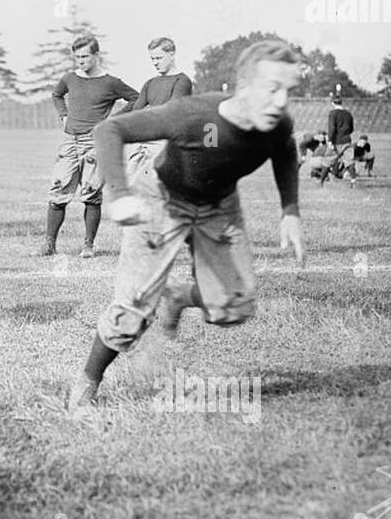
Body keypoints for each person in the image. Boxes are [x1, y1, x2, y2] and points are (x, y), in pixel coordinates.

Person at [68, 40, 306, 409]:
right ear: (244, 87)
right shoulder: (193, 116)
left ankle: (179, 296)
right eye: (272, 89)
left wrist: (290, 210)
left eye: (289, 92)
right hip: (161, 198)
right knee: (133, 311)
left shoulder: (276, 123)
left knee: (234, 306)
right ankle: (87, 383)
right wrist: (120, 193)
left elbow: (285, 150)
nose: (281, 102)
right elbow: (109, 131)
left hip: (217, 205)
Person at [41, 36, 138, 258]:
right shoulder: (69, 78)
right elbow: (56, 95)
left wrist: (113, 121)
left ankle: (88, 245)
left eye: (85, 56)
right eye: (77, 57)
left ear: (96, 56)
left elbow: (136, 98)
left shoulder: (111, 82)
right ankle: (49, 244)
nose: (81, 61)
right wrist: (63, 115)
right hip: (69, 140)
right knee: (58, 190)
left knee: (91, 193)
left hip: (94, 144)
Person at [124, 36, 193, 187]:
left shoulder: (182, 81)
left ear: (172, 54)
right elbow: (136, 109)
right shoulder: (150, 83)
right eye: (152, 59)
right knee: (131, 186)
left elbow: (171, 110)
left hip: (165, 142)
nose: (155, 63)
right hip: (142, 142)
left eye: (159, 58)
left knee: (160, 188)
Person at [327, 95, 357, 181]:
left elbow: (332, 128)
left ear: (332, 103)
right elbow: (351, 128)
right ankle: (353, 180)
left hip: (337, 140)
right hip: (347, 140)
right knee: (349, 161)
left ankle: (323, 180)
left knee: (328, 160)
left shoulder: (332, 113)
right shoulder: (348, 114)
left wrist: (330, 140)